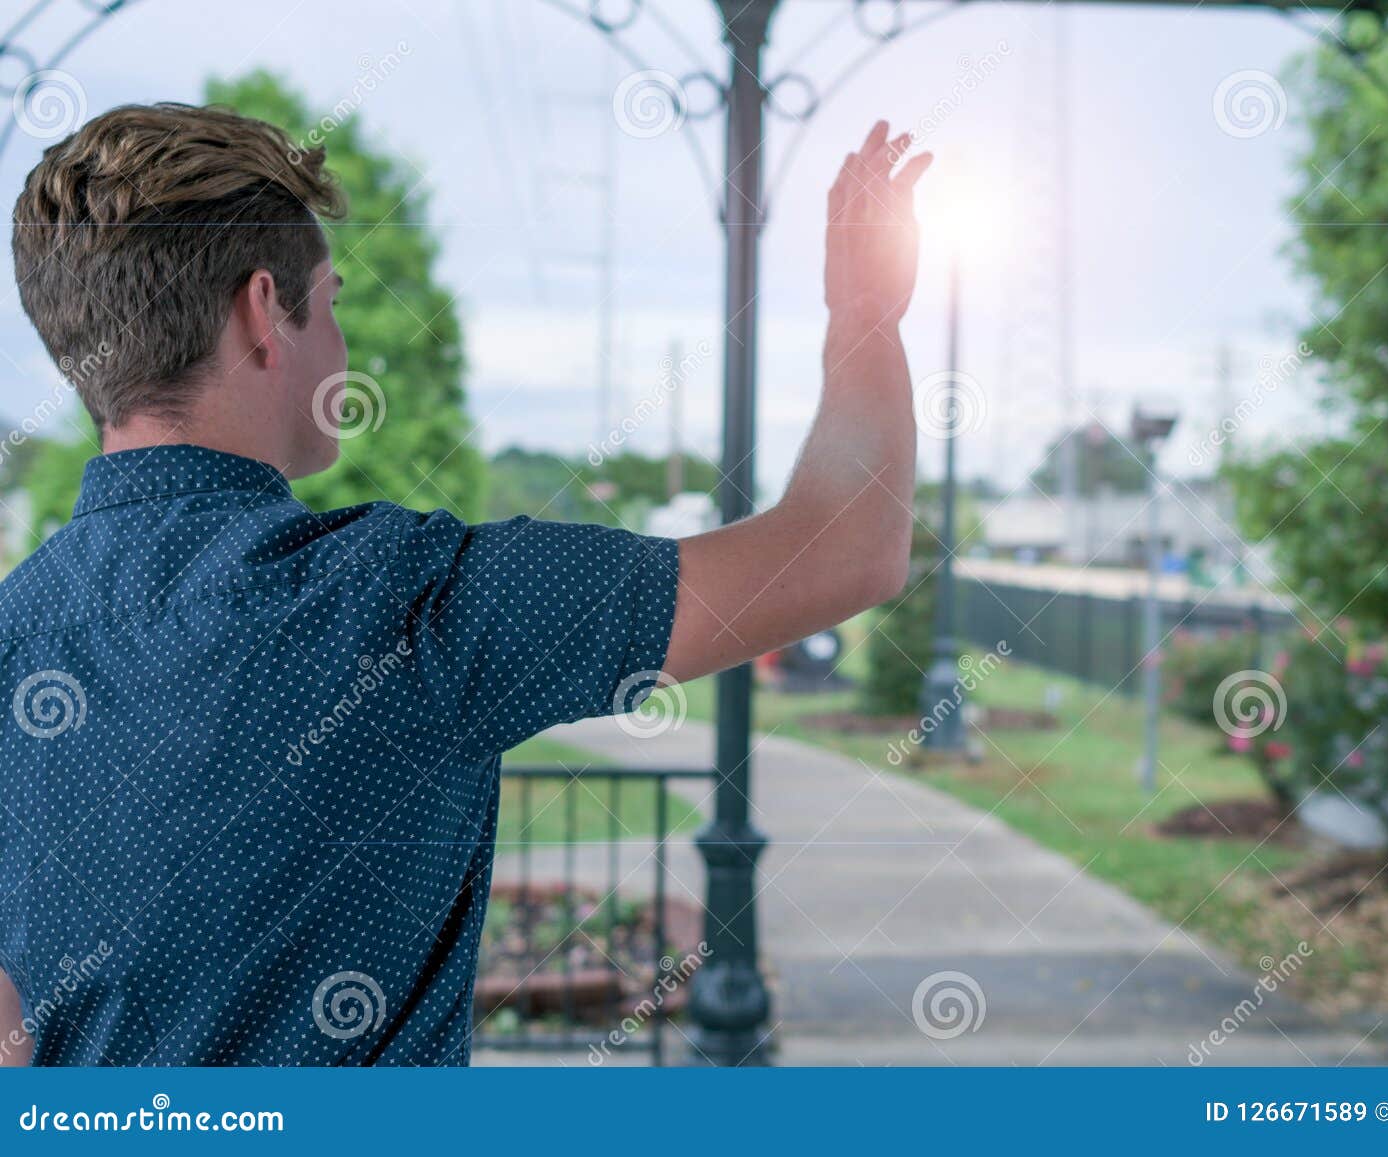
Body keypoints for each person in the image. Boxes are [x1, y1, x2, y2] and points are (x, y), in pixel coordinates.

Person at [0, 104, 930, 1065]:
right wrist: (864, 317)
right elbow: (848, 546)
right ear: (259, 313)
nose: (342, 347)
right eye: (332, 305)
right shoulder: (407, 600)